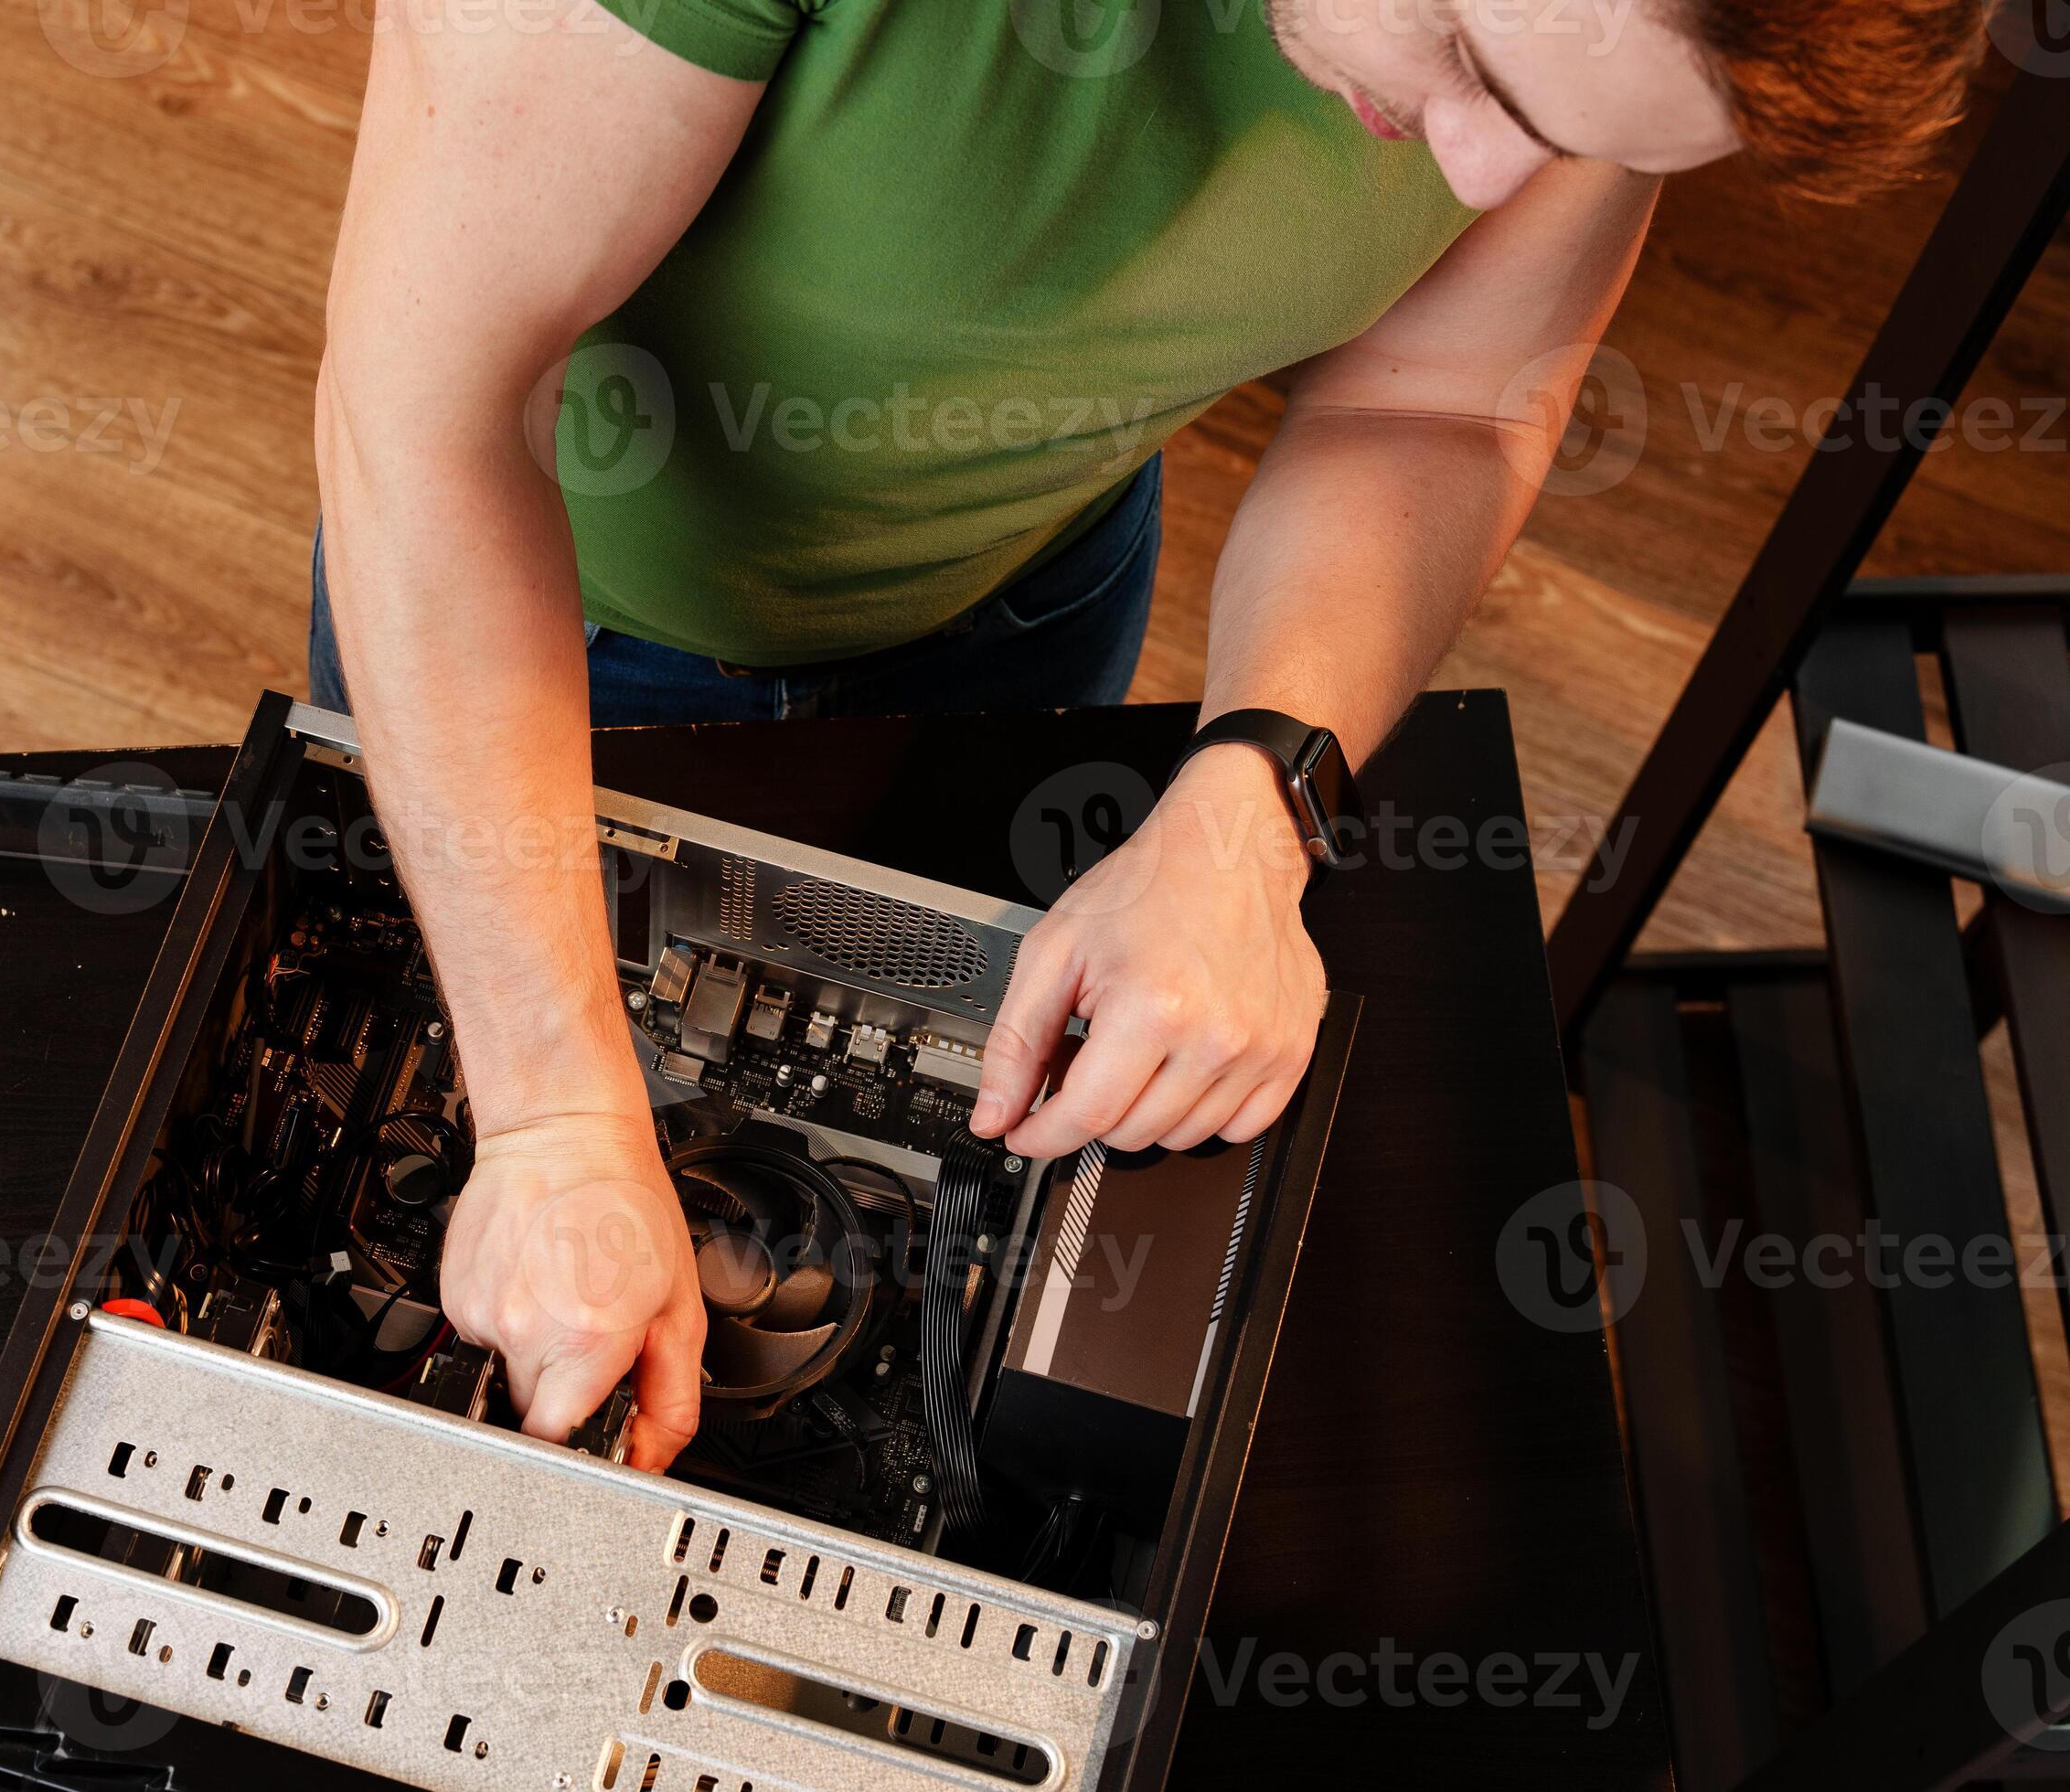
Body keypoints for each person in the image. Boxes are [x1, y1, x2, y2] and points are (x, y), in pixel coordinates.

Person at [307, 0, 1988, 1468]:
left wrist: (1255, 802)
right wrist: (553, 1120)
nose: (1485, 174)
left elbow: (1443, 401)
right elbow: (430, 405)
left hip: (1030, 596)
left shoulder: (1598, 44)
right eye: (1479, 67)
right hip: (552, 638)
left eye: (1572, 140)